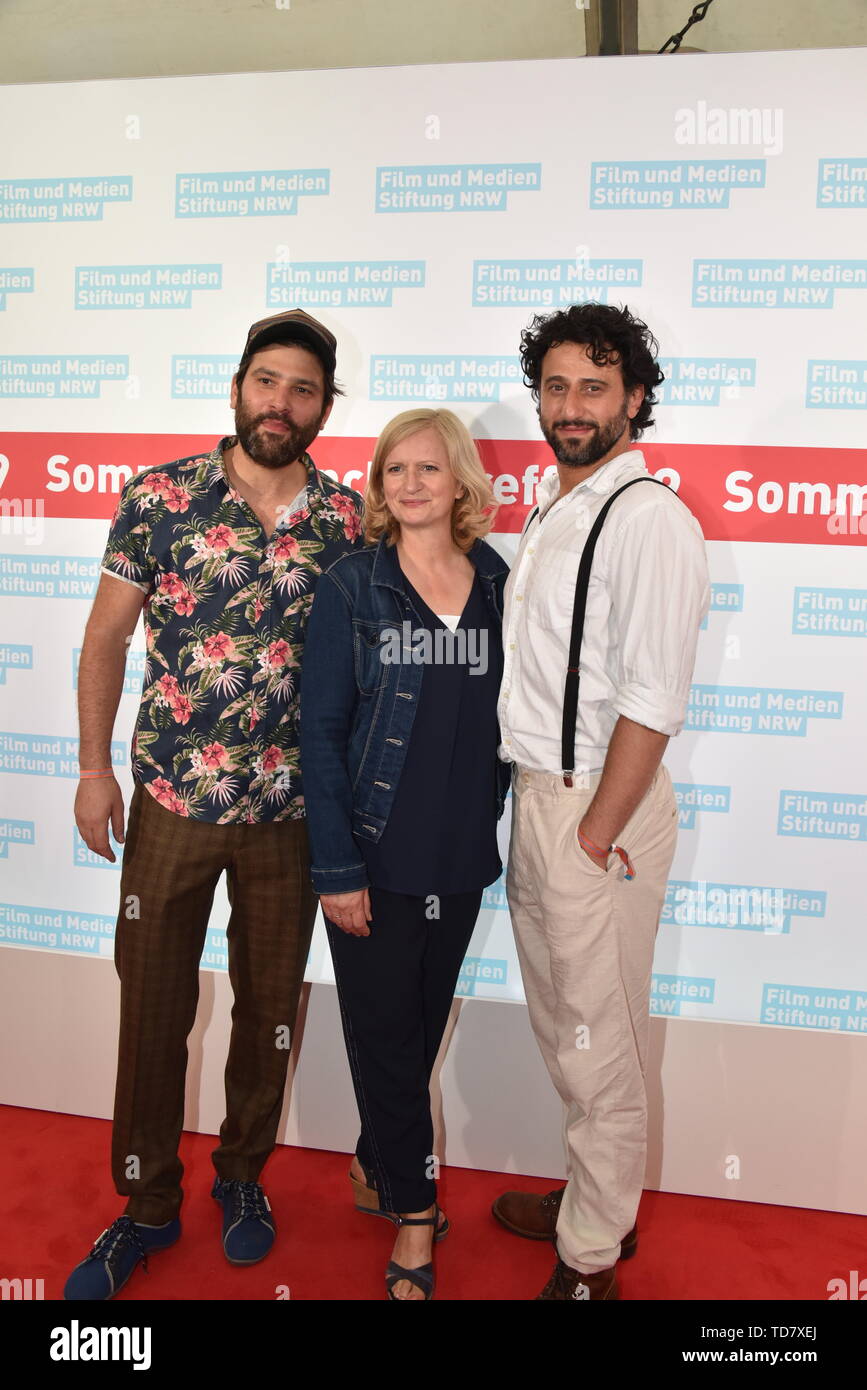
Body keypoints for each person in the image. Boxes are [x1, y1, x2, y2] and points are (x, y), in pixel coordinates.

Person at [66, 308, 364, 1300]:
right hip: (168, 800)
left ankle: (244, 1177)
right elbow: (106, 638)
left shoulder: (346, 518)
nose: (282, 402)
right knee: (153, 1006)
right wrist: (93, 767)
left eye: (304, 388)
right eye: (267, 381)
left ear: (325, 406)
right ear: (238, 385)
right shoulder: (160, 496)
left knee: (269, 1011)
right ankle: (146, 1205)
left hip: (290, 814)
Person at [492, 302, 710, 1300]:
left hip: (595, 812)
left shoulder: (650, 517)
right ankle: (593, 1195)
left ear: (633, 399)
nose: (571, 404)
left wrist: (592, 837)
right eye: (556, 385)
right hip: (540, 802)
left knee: (600, 1044)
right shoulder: (553, 510)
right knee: (565, 1027)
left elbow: (653, 701)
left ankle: (590, 1258)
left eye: (594, 386)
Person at [299, 407, 510, 1300]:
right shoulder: (354, 585)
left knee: (412, 1037)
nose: (412, 484)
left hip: (460, 853)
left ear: (460, 479)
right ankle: (414, 1218)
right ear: (378, 487)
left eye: (429, 468)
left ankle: (373, 1161)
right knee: (388, 1044)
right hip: (377, 857)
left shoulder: (497, 580)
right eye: (394, 471)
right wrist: (337, 870)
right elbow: (319, 733)